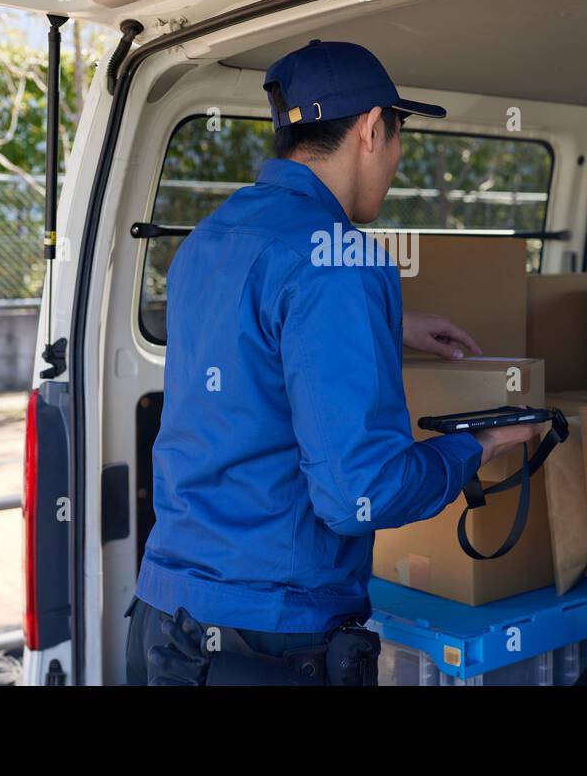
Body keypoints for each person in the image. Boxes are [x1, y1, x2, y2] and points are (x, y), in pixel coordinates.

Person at [125, 39, 544, 685]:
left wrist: (386, 323)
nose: (397, 161)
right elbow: (360, 493)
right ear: (372, 129)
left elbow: (251, 335)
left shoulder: (209, 239)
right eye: (399, 137)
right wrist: (479, 446)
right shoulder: (344, 263)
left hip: (162, 620)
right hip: (268, 642)